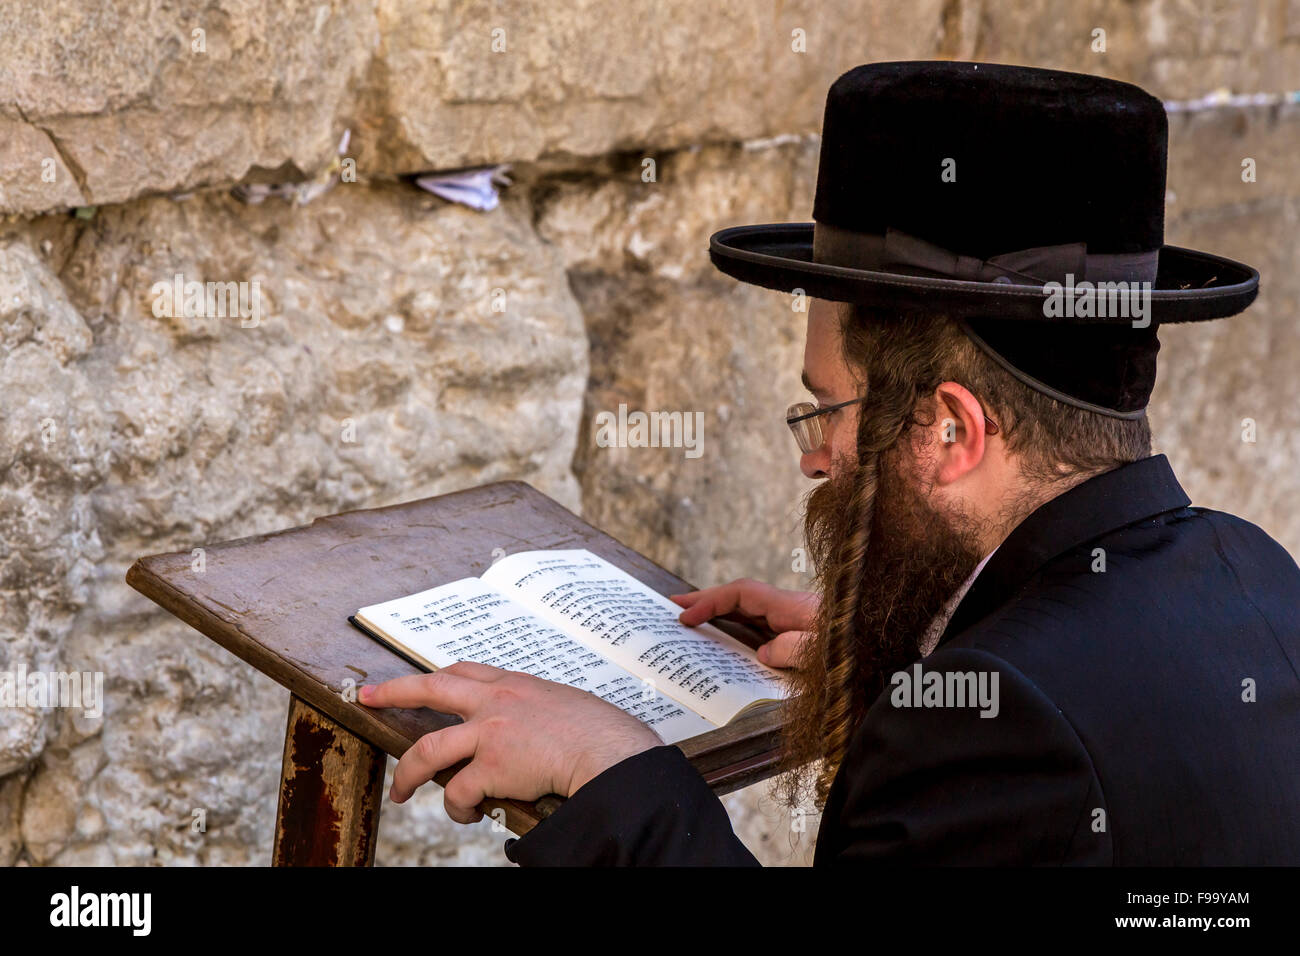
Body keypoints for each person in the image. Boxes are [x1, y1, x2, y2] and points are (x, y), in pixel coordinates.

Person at [357, 61, 1300, 865]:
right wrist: (927, 645)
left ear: (950, 432)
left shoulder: (994, 732)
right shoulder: (1255, 575)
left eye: (829, 410)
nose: (816, 460)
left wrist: (608, 774)